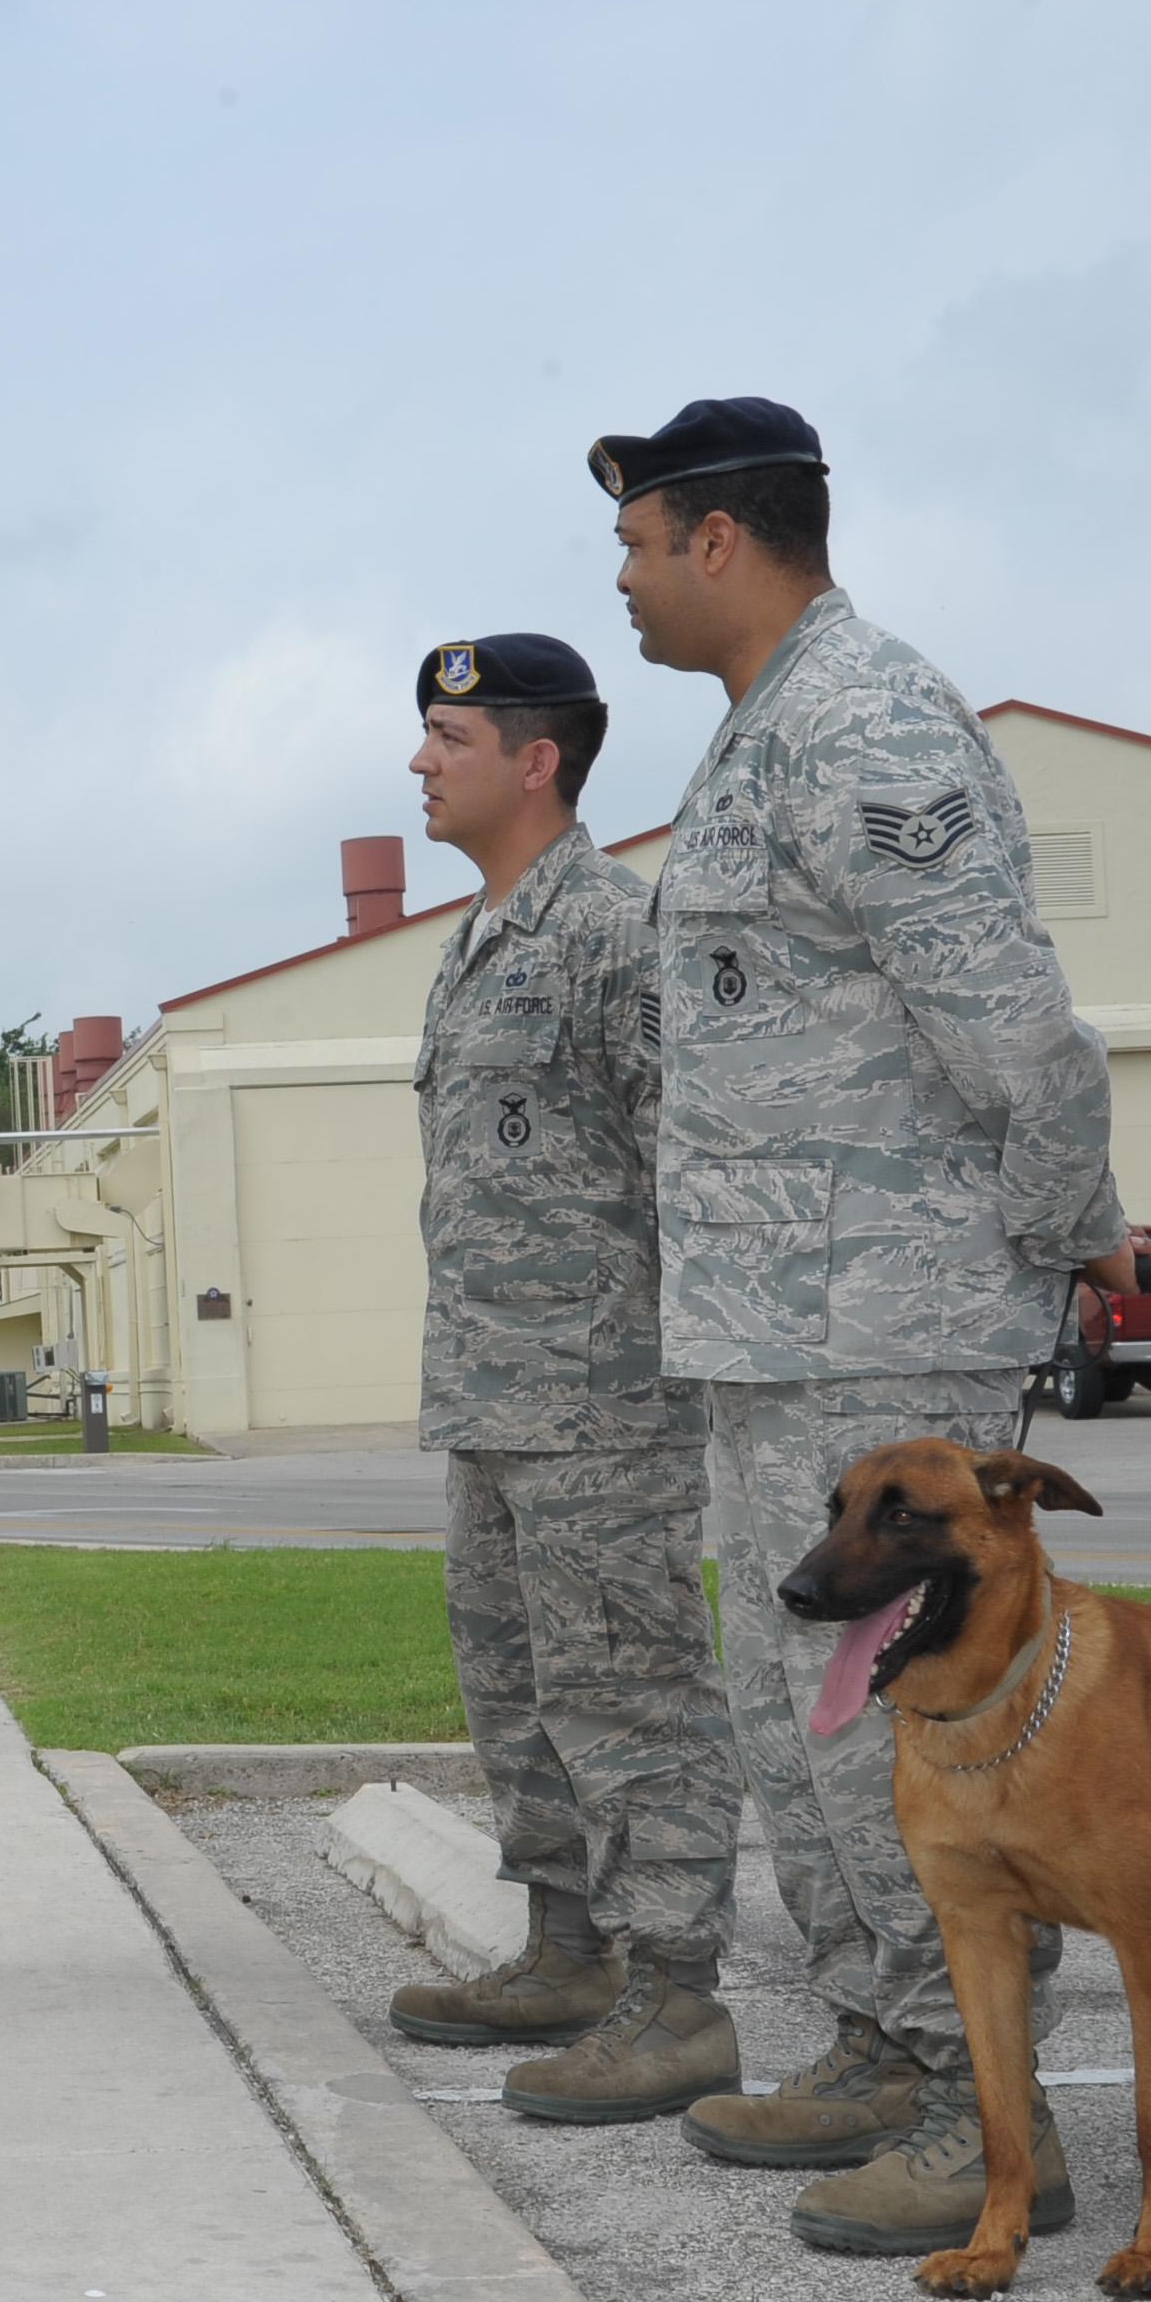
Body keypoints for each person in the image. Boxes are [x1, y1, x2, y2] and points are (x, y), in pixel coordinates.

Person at [596, 397, 1138, 2253]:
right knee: (792, 1711)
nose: (623, 576)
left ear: (722, 540)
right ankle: (878, 2041)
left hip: (888, 1317)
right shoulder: (763, 729)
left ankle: (989, 2117)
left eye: (640, 539)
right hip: (770, 1328)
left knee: (915, 1726)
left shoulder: (867, 721)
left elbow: (1010, 1018)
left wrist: (1072, 1227)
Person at [382, 632, 742, 2125]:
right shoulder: (480, 942)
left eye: (447, 739)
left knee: (630, 1693)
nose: (419, 760)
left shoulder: (611, 933)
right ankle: (567, 1949)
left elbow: (690, 1156)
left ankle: (678, 1996)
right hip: (491, 1397)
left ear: (537, 762)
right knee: (519, 1692)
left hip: (601, 1404)